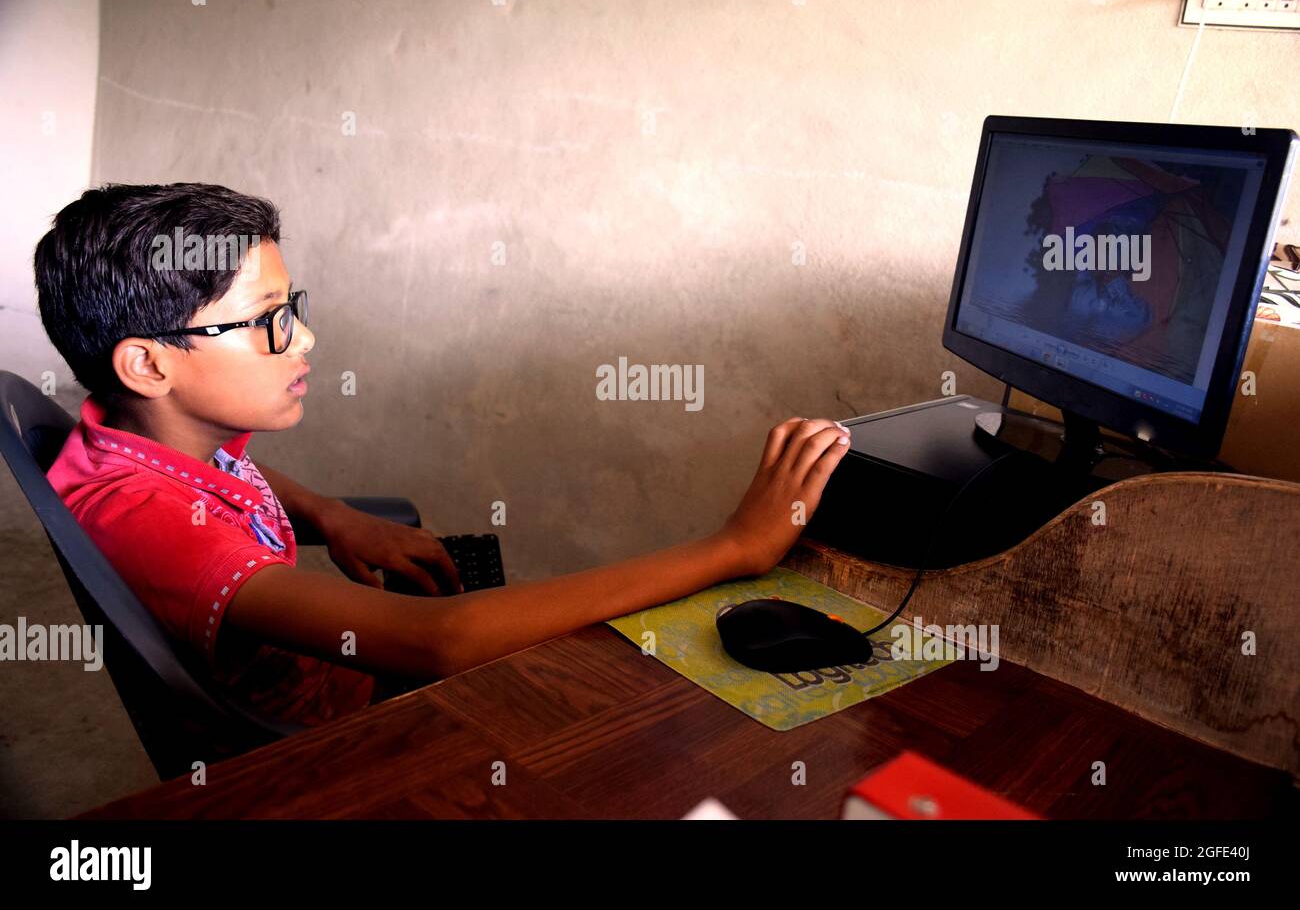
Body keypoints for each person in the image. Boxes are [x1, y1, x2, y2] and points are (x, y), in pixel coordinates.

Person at [39, 183, 852, 725]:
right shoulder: (150, 523)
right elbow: (441, 641)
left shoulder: (133, 435)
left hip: (355, 672)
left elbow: (222, 481)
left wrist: (331, 513)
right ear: (148, 363)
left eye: (296, 308)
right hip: (341, 741)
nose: (306, 338)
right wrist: (733, 546)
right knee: (642, 712)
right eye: (270, 321)